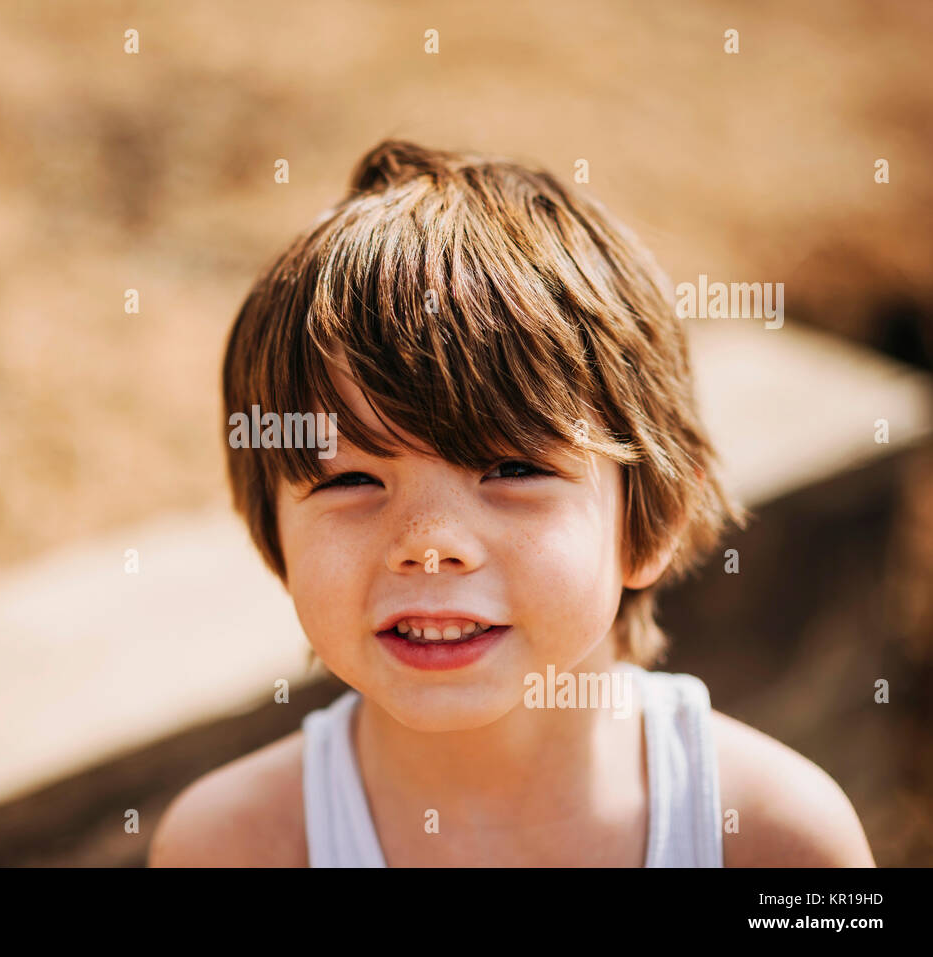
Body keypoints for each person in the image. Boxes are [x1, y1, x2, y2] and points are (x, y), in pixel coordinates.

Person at [149, 139, 875, 867]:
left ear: (653, 517)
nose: (427, 542)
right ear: (274, 536)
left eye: (510, 467)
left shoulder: (778, 840)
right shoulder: (232, 846)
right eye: (349, 480)